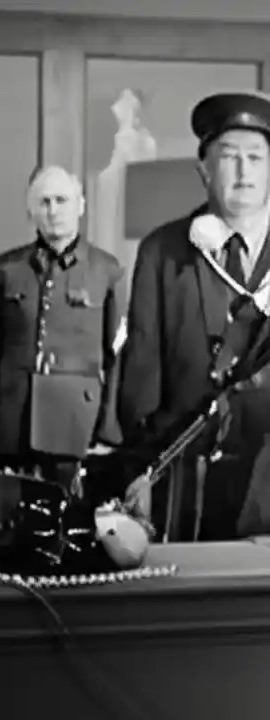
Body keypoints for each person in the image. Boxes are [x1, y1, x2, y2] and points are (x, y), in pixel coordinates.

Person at [119, 91, 270, 541]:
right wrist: (141, 470)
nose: (244, 171)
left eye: (256, 157)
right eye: (228, 157)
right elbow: (141, 371)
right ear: (203, 170)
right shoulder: (164, 252)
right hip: (184, 479)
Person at [0, 166, 122, 493]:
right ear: (31, 210)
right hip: (14, 421)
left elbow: (117, 356)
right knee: (10, 518)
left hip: (75, 423)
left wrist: (107, 428)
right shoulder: (8, 269)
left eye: (61, 201)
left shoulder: (106, 271)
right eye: (44, 202)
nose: (53, 211)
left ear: (80, 206)